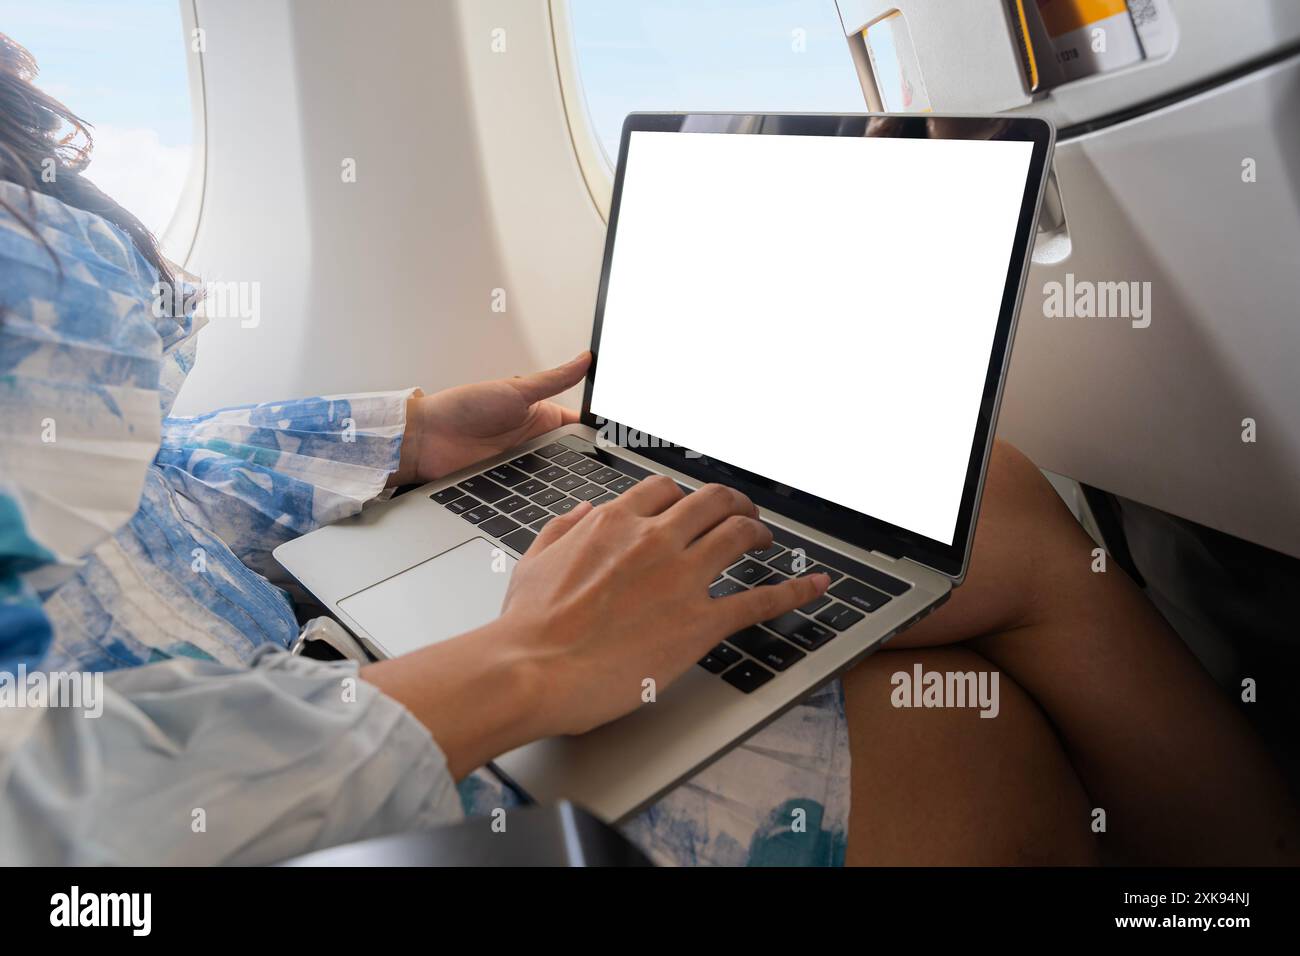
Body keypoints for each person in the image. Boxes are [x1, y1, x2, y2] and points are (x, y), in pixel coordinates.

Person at [0, 34, 1295, 866]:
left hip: (271, 675)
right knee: (966, 730)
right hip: (320, 792)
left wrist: (396, 435)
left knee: (985, 503)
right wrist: (521, 662)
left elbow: (128, 485)